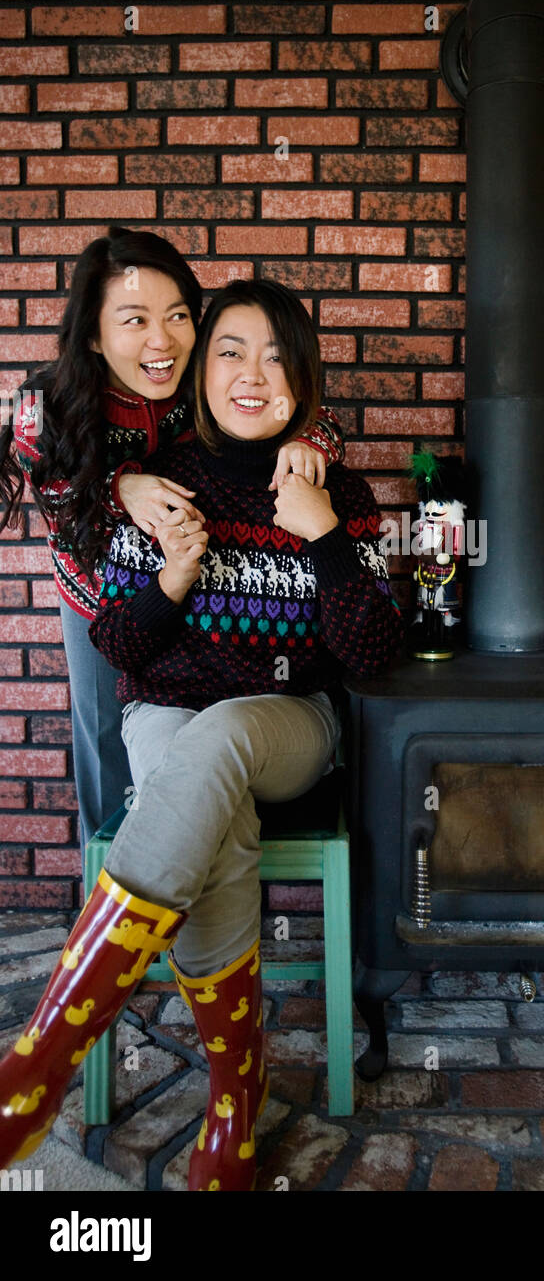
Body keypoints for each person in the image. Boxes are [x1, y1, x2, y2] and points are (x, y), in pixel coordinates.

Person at [0, 278, 405, 1189]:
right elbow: (118, 645)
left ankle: (46, 1054)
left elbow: (373, 650)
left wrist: (327, 535)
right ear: (201, 371)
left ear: (303, 378)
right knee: (209, 805)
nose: (252, 374)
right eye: (230, 351)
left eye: (274, 356)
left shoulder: (331, 486)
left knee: (215, 744)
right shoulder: (158, 482)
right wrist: (172, 576)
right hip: (166, 720)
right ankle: (236, 1097)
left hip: (289, 725)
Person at [0, 228, 345, 866]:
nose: (162, 341)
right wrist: (118, 486)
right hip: (101, 597)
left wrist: (312, 446)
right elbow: (59, 508)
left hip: (206, 588)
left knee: (201, 745)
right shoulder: (46, 406)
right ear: (95, 334)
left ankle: (188, 892)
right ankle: (110, 899)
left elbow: (299, 407)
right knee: (110, 744)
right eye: (135, 320)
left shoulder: (198, 379)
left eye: (179, 316)